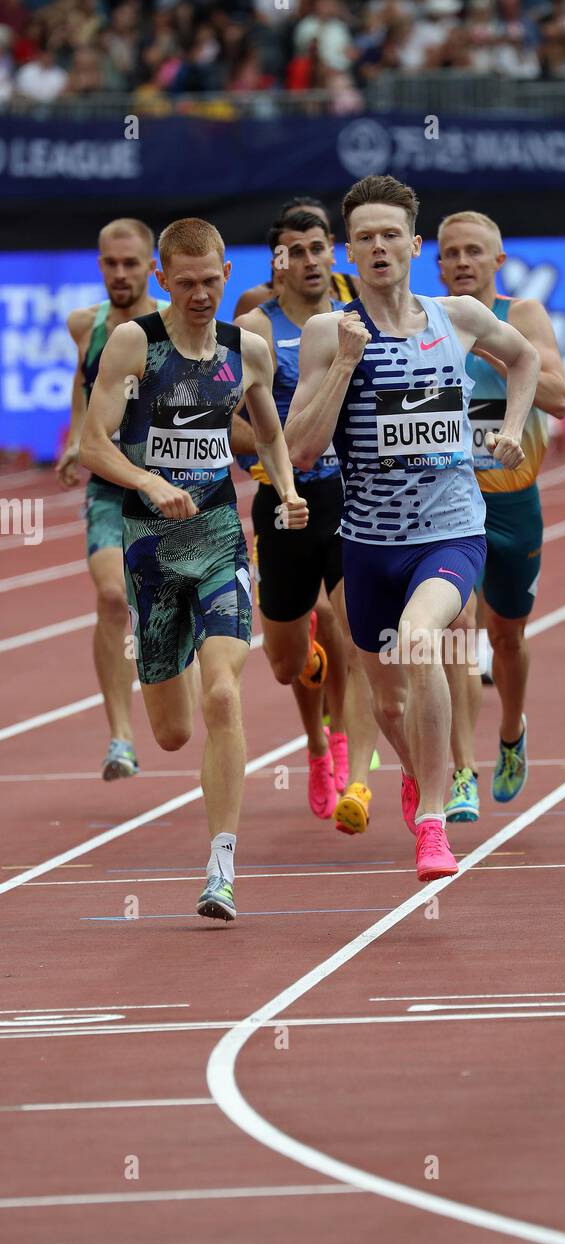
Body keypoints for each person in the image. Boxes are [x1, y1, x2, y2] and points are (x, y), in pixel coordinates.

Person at [285, 175, 539, 881]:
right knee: (388, 702)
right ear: (348, 251)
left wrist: (513, 428)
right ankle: (412, 773)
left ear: (413, 244)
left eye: (390, 234)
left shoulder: (453, 317)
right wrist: (342, 365)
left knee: (424, 641)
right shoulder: (323, 333)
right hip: (367, 545)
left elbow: (524, 359)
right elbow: (302, 450)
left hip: (451, 532)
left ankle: (432, 822)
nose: (378, 247)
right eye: (363, 237)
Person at [80, 218, 308, 920]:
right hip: (152, 550)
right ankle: (159, 678)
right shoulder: (134, 345)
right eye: (185, 284)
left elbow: (267, 428)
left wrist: (288, 487)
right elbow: (94, 444)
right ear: (161, 279)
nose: (200, 294)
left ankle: (221, 866)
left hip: (218, 541)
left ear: (226, 273)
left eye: (211, 281)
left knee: (222, 696)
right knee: (175, 731)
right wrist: (148, 483)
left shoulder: (249, 351)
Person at [232, 208, 378, 823]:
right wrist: (272, 443)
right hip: (283, 502)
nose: (311, 259)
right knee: (287, 661)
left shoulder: (358, 315)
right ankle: (316, 742)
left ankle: (350, 761)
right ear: (278, 262)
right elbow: (228, 425)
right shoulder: (252, 328)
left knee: (358, 633)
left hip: (349, 495)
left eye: (320, 247)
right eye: (297, 250)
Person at [436, 210, 565, 822]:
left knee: (507, 636)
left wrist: (498, 353)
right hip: (445, 502)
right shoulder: (426, 319)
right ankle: (461, 771)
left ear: (498, 261)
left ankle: (511, 732)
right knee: (457, 627)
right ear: (437, 263)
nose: (462, 261)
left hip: (514, 500)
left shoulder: (523, 317)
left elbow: (561, 399)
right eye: (451, 253)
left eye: (474, 252)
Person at [55, 219, 169, 779]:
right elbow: (85, 392)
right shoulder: (86, 324)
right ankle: (120, 738)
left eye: (131, 264)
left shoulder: (168, 323)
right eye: (110, 264)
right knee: (108, 596)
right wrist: (77, 440)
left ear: (152, 266)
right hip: (109, 486)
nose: (120, 274)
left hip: (169, 483)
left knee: (166, 601)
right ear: (99, 264)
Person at [232, 195, 358, 318]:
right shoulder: (254, 304)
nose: (310, 262)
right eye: (297, 252)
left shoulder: (357, 291)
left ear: (329, 243)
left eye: (317, 247)